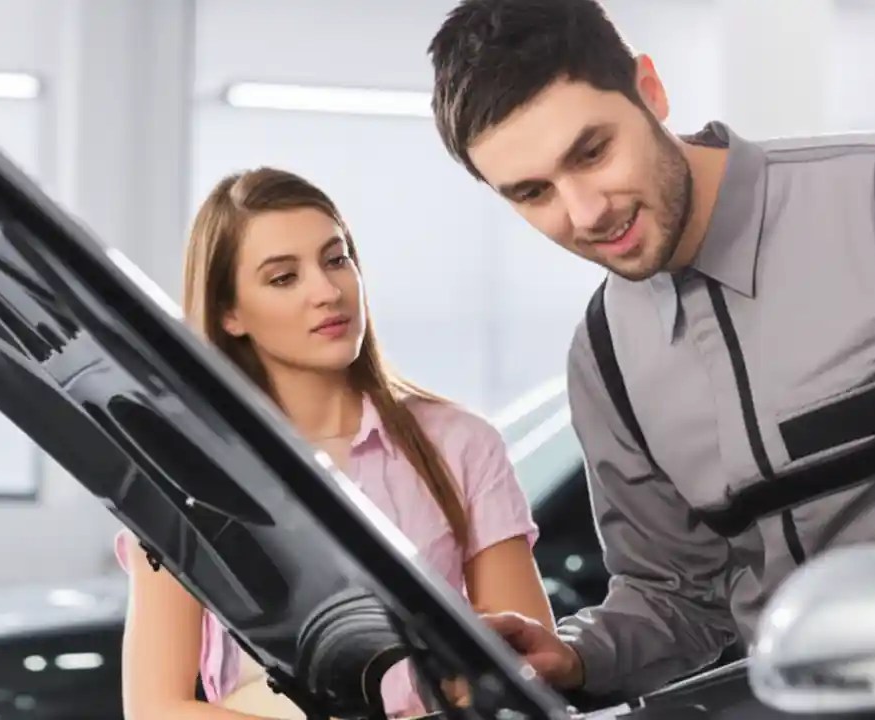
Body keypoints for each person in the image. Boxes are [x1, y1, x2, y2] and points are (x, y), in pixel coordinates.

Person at [424, 0, 875, 702]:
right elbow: (673, 601)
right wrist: (573, 657)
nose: (584, 212)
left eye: (592, 152)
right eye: (533, 192)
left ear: (650, 90)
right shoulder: (602, 360)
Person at [115, 167, 554, 719]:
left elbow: (524, 669)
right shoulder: (183, 472)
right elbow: (156, 708)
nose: (327, 292)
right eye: (283, 278)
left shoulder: (461, 444)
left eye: (335, 258)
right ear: (229, 313)